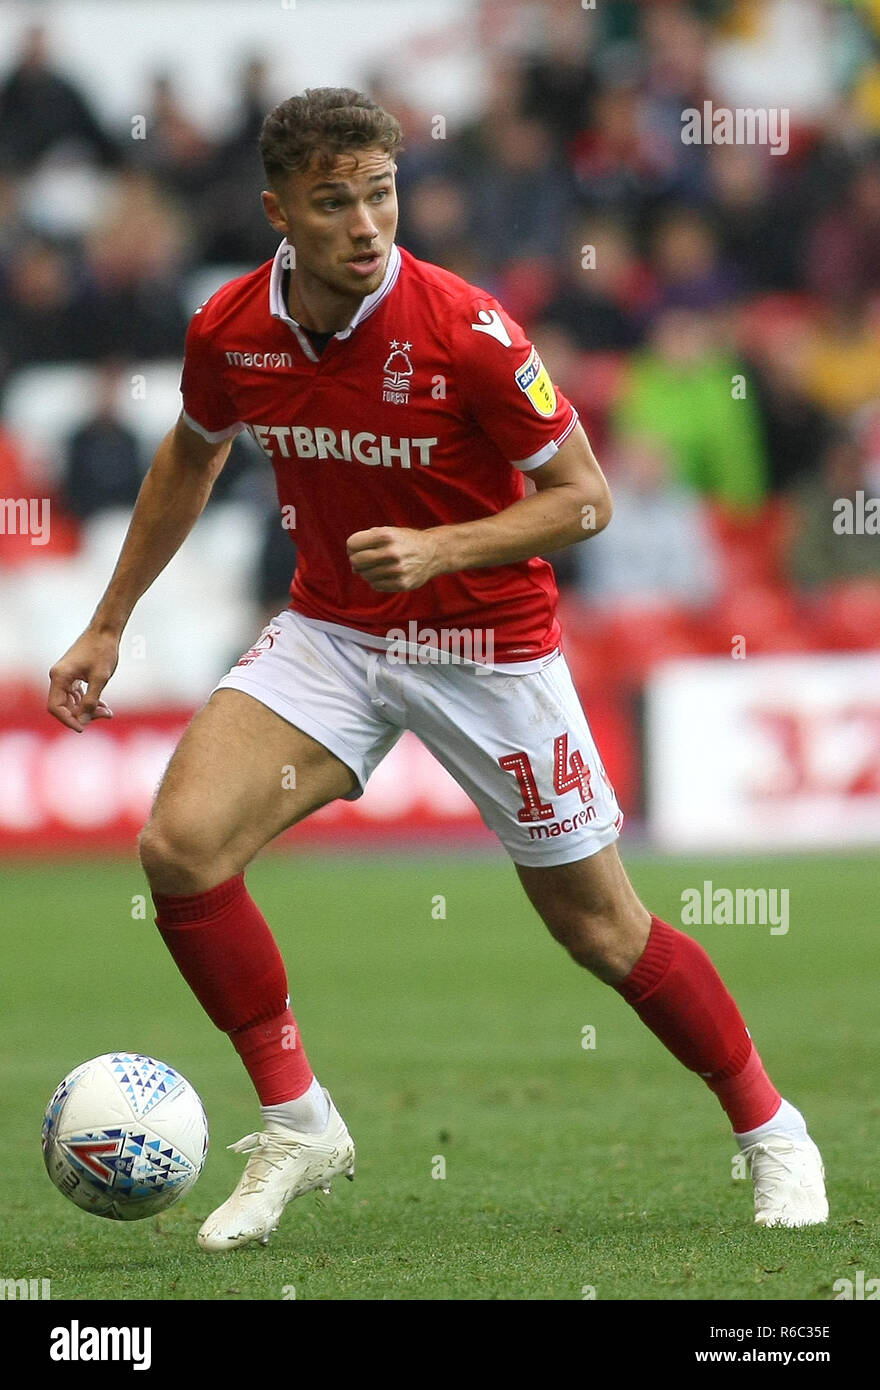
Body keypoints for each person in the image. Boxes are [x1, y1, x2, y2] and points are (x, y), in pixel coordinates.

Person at [47, 88, 827, 1253]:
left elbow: (586, 499)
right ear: (277, 212)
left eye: (380, 194)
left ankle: (773, 1131)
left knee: (601, 930)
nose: (366, 225)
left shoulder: (467, 329)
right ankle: (299, 1121)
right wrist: (110, 619)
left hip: (487, 649)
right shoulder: (228, 330)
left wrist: (443, 548)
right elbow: (189, 457)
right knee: (179, 846)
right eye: (333, 203)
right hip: (334, 636)